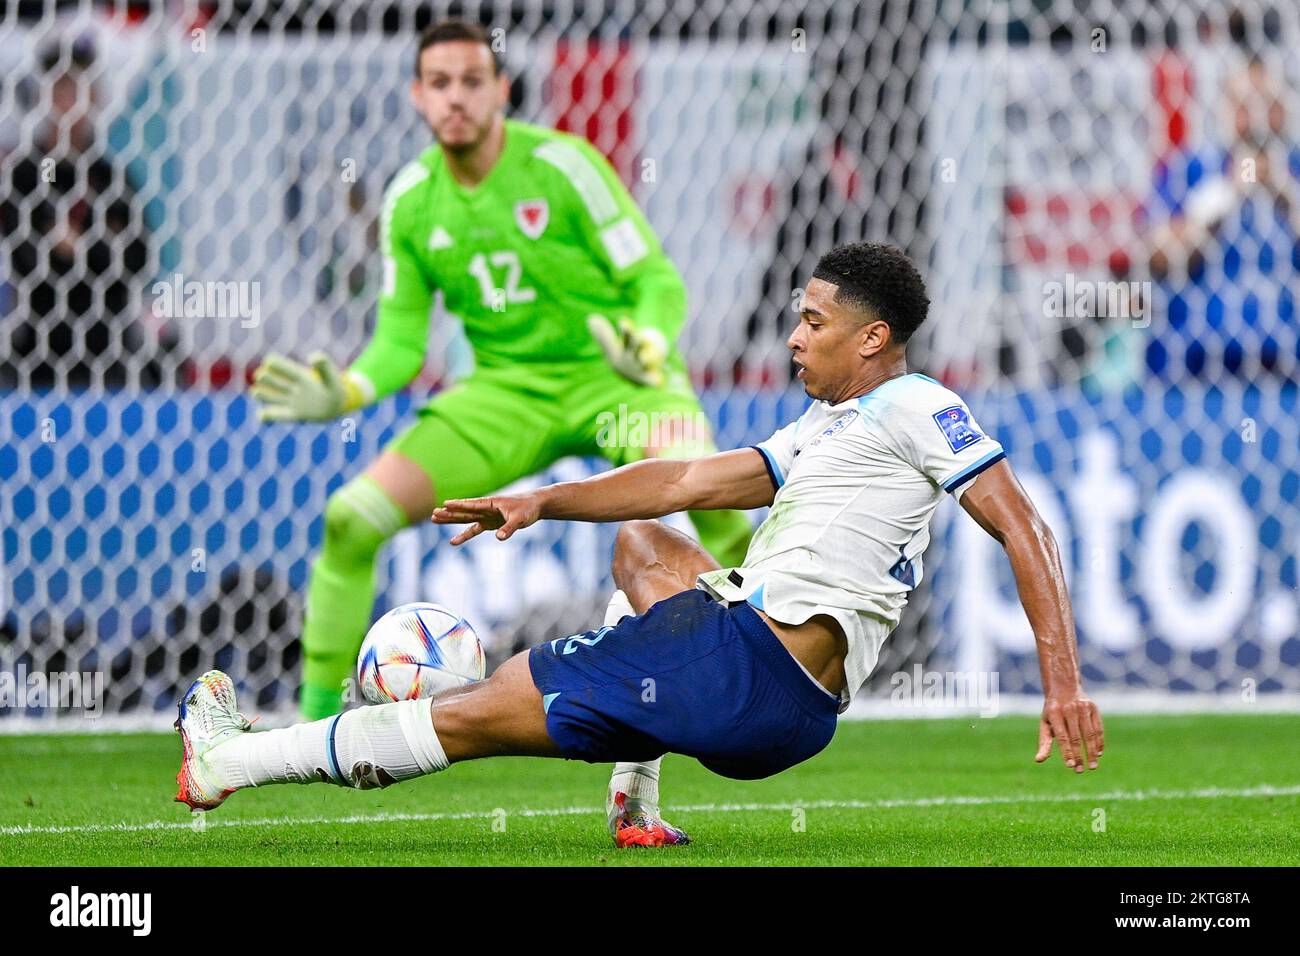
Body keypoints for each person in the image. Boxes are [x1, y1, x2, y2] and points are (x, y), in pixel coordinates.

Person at [176, 242, 1104, 849]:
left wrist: (1061, 681)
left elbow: (1023, 524)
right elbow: (686, 482)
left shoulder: (917, 404)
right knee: (648, 546)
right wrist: (544, 501)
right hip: (785, 713)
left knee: (466, 715)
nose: (792, 338)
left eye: (813, 324)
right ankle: (636, 805)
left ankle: (224, 760)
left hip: (737, 662)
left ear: (873, 339)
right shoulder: (824, 430)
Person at [248, 18, 754, 730]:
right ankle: (317, 727)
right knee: (349, 520)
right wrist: (351, 389)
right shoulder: (410, 202)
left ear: (501, 92)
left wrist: (645, 341)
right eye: (440, 83)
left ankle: (773, 656)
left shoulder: (563, 165)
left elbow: (655, 278)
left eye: (472, 82)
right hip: (506, 392)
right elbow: (399, 339)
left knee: (715, 490)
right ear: (418, 97)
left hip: (619, 381)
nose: (456, 97)